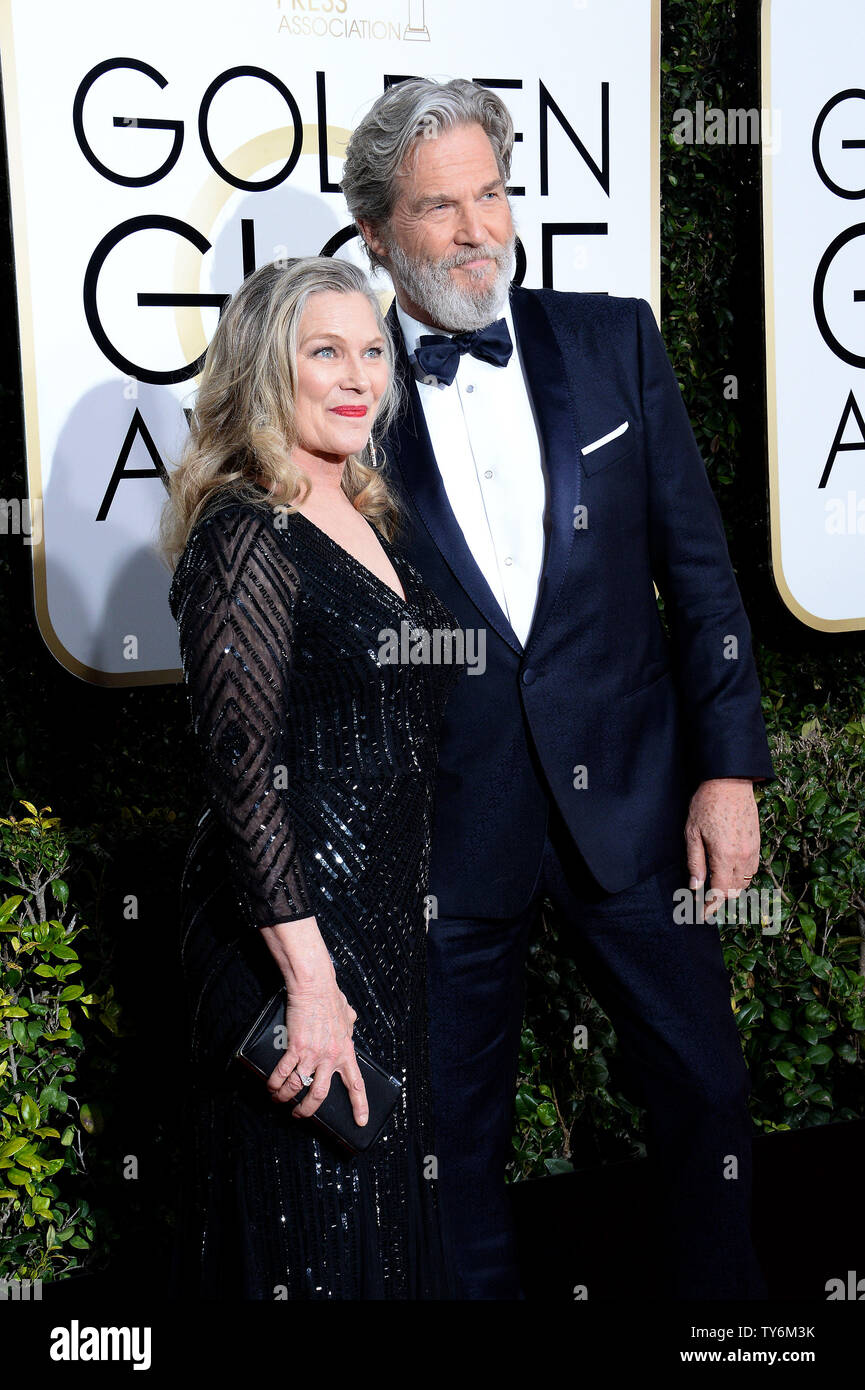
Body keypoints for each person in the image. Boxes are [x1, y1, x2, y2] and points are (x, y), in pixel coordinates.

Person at [340, 77, 777, 1300]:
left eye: (492, 192)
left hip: (632, 806)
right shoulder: (341, 393)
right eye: (439, 207)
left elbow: (698, 575)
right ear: (375, 232)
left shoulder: (611, 338)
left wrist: (727, 768)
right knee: (448, 1146)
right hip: (444, 831)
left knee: (705, 1088)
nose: (479, 227)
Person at [160, 255, 463, 1299]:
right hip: (295, 940)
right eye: (323, 352)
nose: (356, 376)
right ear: (261, 370)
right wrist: (311, 979)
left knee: (381, 1232)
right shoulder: (244, 533)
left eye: (371, 351)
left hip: (380, 931)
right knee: (309, 1236)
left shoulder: (372, 514)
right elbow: (242, 772)